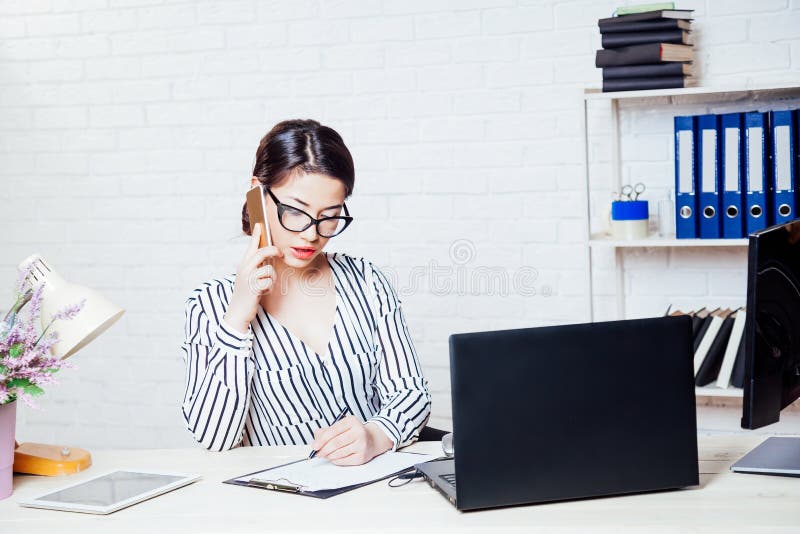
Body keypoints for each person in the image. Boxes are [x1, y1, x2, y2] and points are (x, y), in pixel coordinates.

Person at [181, 119, 431, 465]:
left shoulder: (367, 282)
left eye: (329, 216)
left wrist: (376, 435)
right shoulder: (209, 305)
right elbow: (214, 438)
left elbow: (411, 393)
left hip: (375, 494)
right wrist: (237, 318)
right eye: (295, 212)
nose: (311, 234)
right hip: (280, 503)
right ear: (257, 193)